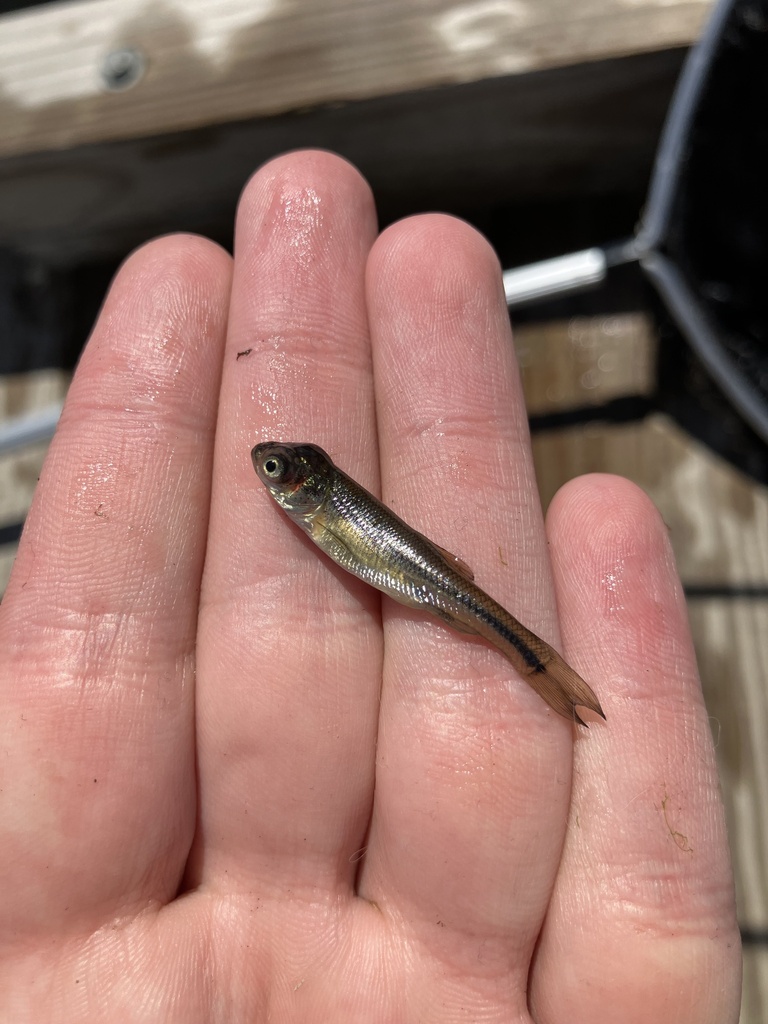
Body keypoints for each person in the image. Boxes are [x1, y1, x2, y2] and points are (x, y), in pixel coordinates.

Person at [0, 150, 741, 1021]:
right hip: (431, 582)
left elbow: (350, 533)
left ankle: (537, 663)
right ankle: (537, 663)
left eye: (276, 469)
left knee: (506, 610)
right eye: (276, 468)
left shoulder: (318, 503)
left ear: (303, 484)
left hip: (438, 586)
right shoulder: (317, 502)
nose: (267, 475)